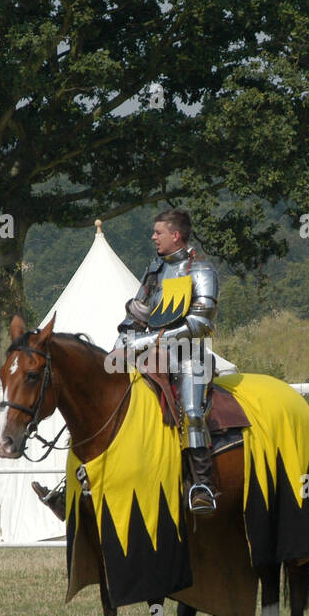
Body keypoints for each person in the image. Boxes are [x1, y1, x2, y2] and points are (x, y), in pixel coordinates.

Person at [114, 209, 220, 514]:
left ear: (176, 235)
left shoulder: (200, 270)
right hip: (151, 355)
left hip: (190, 354)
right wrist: (123, 339)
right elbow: (137, 313)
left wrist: (147, 340)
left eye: (157, 232)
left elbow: (201, 323)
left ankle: (202, 486)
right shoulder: (155, 269)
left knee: (191, 412)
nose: (152, 237)